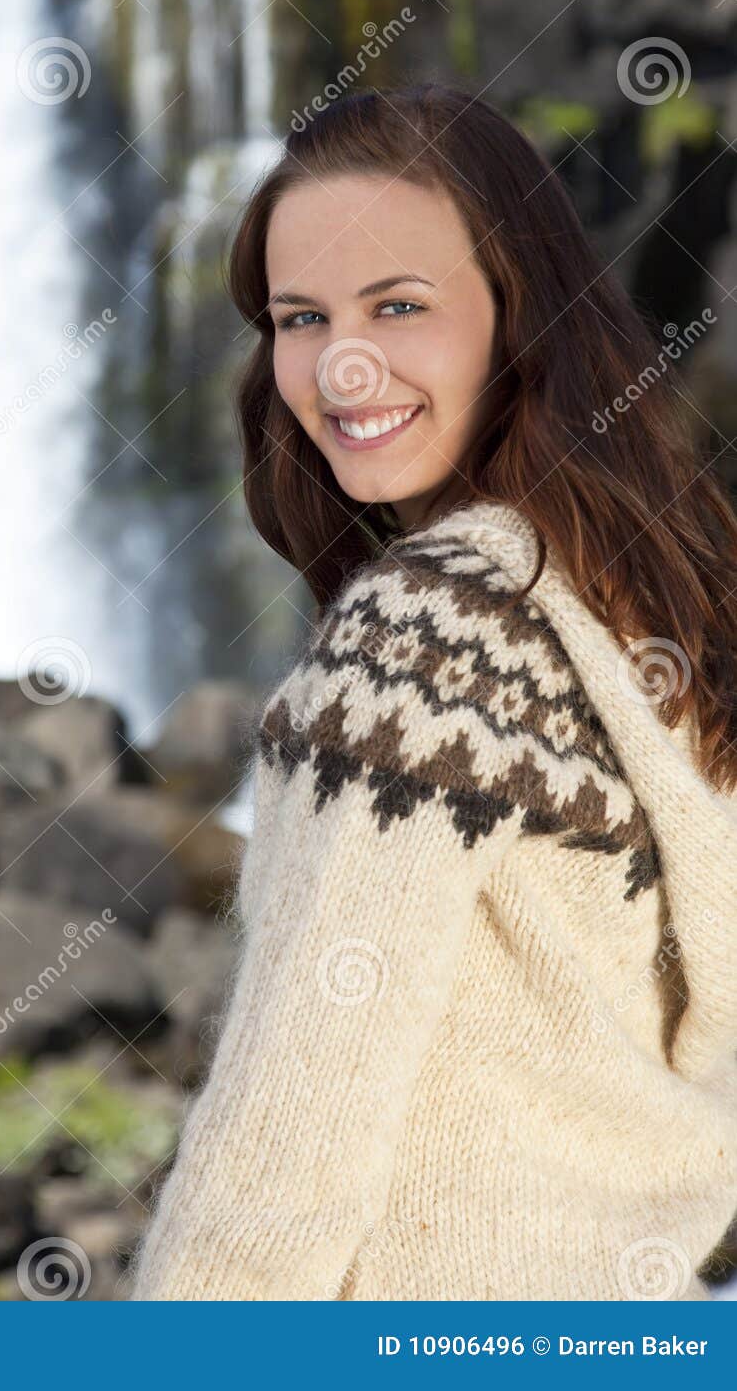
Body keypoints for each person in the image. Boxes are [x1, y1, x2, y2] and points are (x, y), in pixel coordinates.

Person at [125, 84, 737, 1302]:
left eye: (397, 306)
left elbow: (284, 1143)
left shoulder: (428, 640)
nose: (341, 363)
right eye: (299, 317)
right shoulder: (640, 604)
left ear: (519, 313)